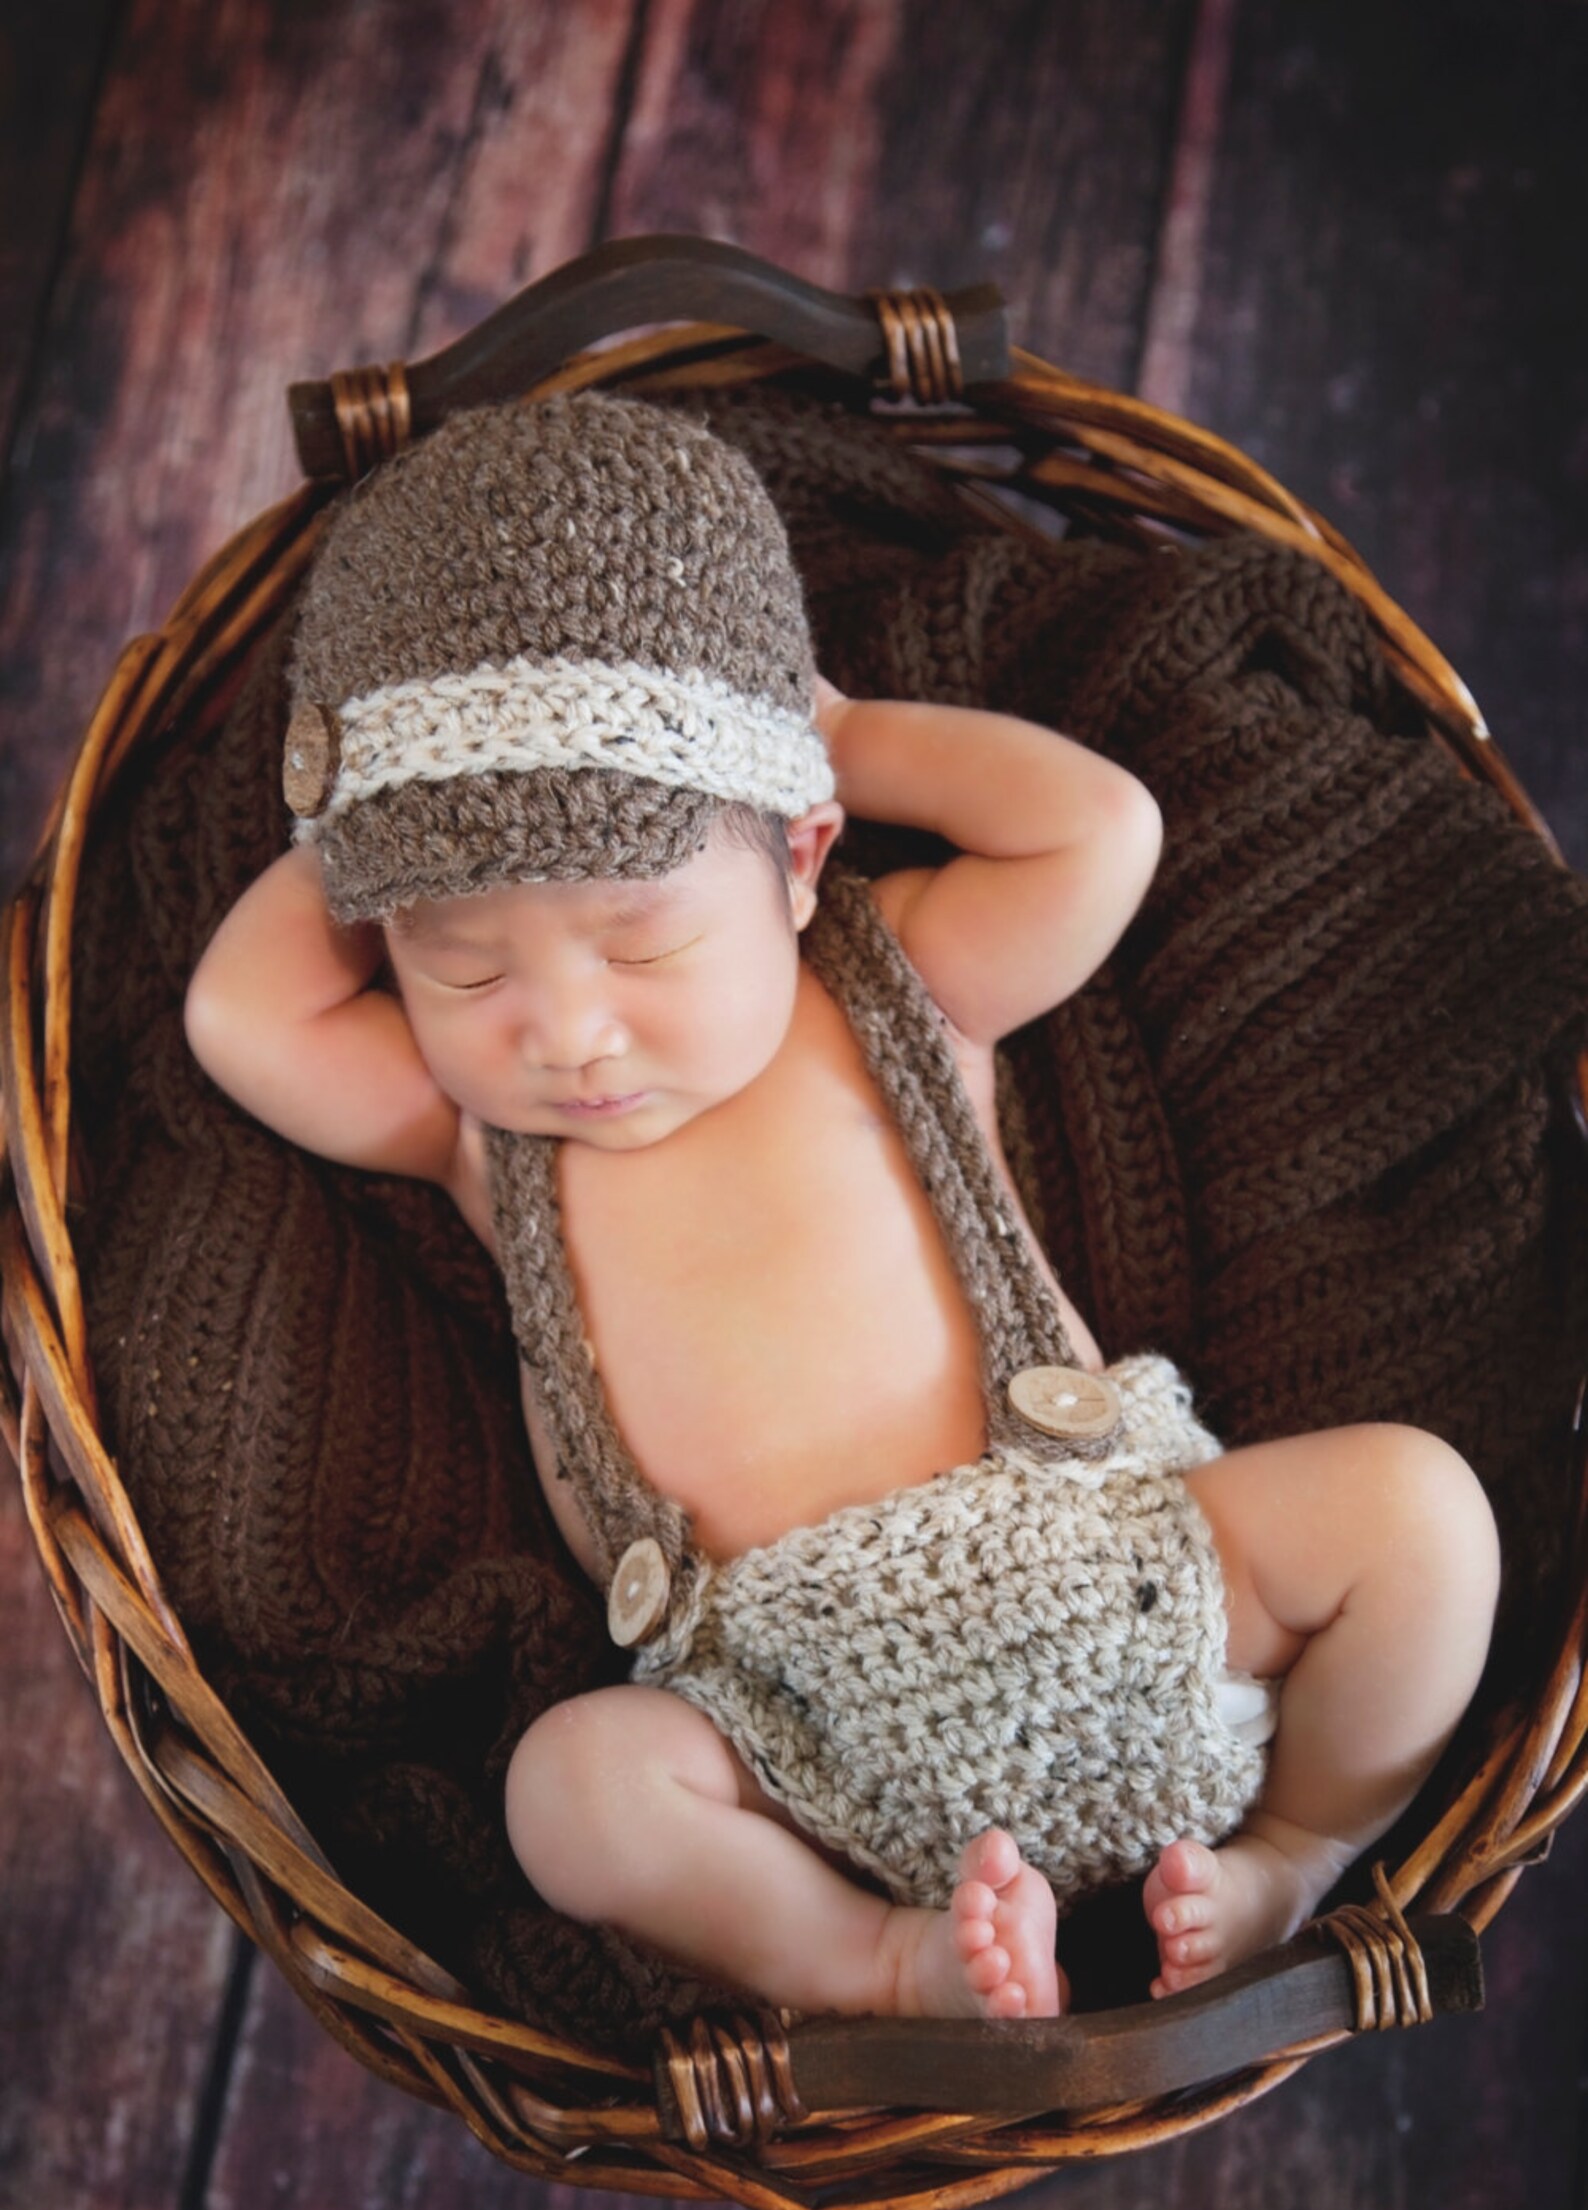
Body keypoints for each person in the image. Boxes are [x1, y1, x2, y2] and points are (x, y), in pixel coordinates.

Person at [185, 391, 1500, 2024]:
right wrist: (384, 800)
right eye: (461, 960)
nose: (570, 1030)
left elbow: (1106, 830)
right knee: (571, 1793)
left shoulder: (893, 980)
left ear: (801, 856)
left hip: (1127, 1579)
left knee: (1422, 1515)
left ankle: (1297, 1850)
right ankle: (874, 1962)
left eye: (643, 942)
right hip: (784, 1716)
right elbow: (240, 1020)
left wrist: (846, 733)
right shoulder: (480, 1135)